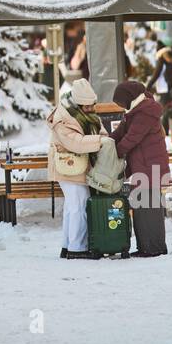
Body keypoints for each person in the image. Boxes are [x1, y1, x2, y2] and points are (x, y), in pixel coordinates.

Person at [110, 80, 170, 257]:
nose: (121, 107)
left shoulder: (146, 113)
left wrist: (115, 152)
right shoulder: (134, 112)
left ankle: (155, 248)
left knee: (149, 210)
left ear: (129, 98)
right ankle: (146, 247)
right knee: (141, 209)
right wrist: (105, 143)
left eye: (122, 103)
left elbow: (131, 139)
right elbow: (120, 133)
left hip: (151, 168)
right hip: (142, 167)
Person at [48, 78, 104, 259]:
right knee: (78, 206)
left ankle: (68, 246)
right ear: (78, 103)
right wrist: (101, 141)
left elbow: (99, 131)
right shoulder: (63, 118)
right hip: (69, 167)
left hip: (77, 167)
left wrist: (103, 137)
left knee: (73, 206)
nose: (90, 109)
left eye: (92, 105)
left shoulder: (84, 115)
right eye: (86, 106)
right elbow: (76, 143)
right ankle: (77, 248)